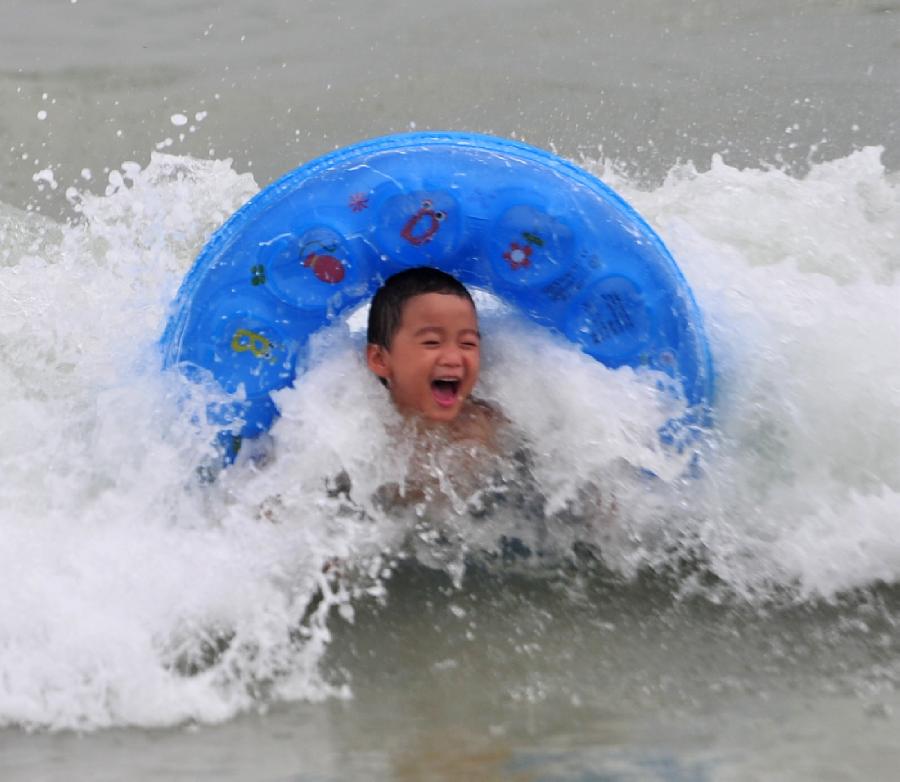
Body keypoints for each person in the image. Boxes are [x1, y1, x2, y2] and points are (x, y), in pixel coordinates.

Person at [365, 266, 503, 449]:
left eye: (467, 343)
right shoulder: (364, 436)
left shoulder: (488, 425)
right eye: (432, 342)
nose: (453, 359)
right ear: (380, 359)